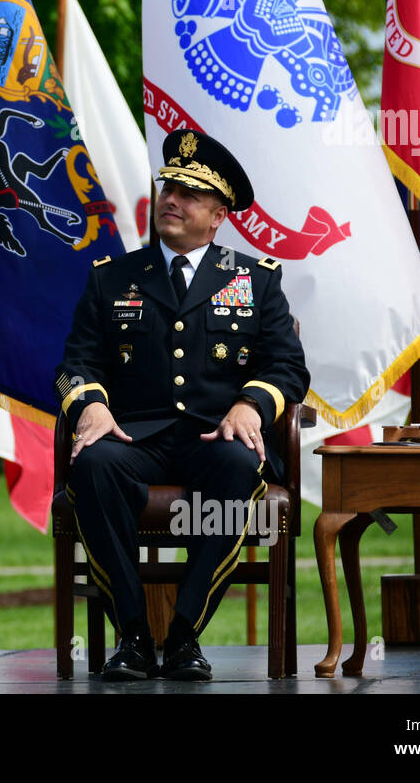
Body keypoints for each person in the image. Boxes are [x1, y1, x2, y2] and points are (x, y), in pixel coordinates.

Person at [54, 128, 309, 681]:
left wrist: (250, 406)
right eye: (169, 186)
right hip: (133, 440)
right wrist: (91, 407)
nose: (171, 198)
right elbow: (75, 365)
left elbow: (288, 367)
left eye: (190, 194)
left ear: (218, 215)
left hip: (212, 439)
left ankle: (184, 634)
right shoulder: (111, 278)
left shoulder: (255, 281)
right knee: (93, 467)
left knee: (241, 467)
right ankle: (134, 637)